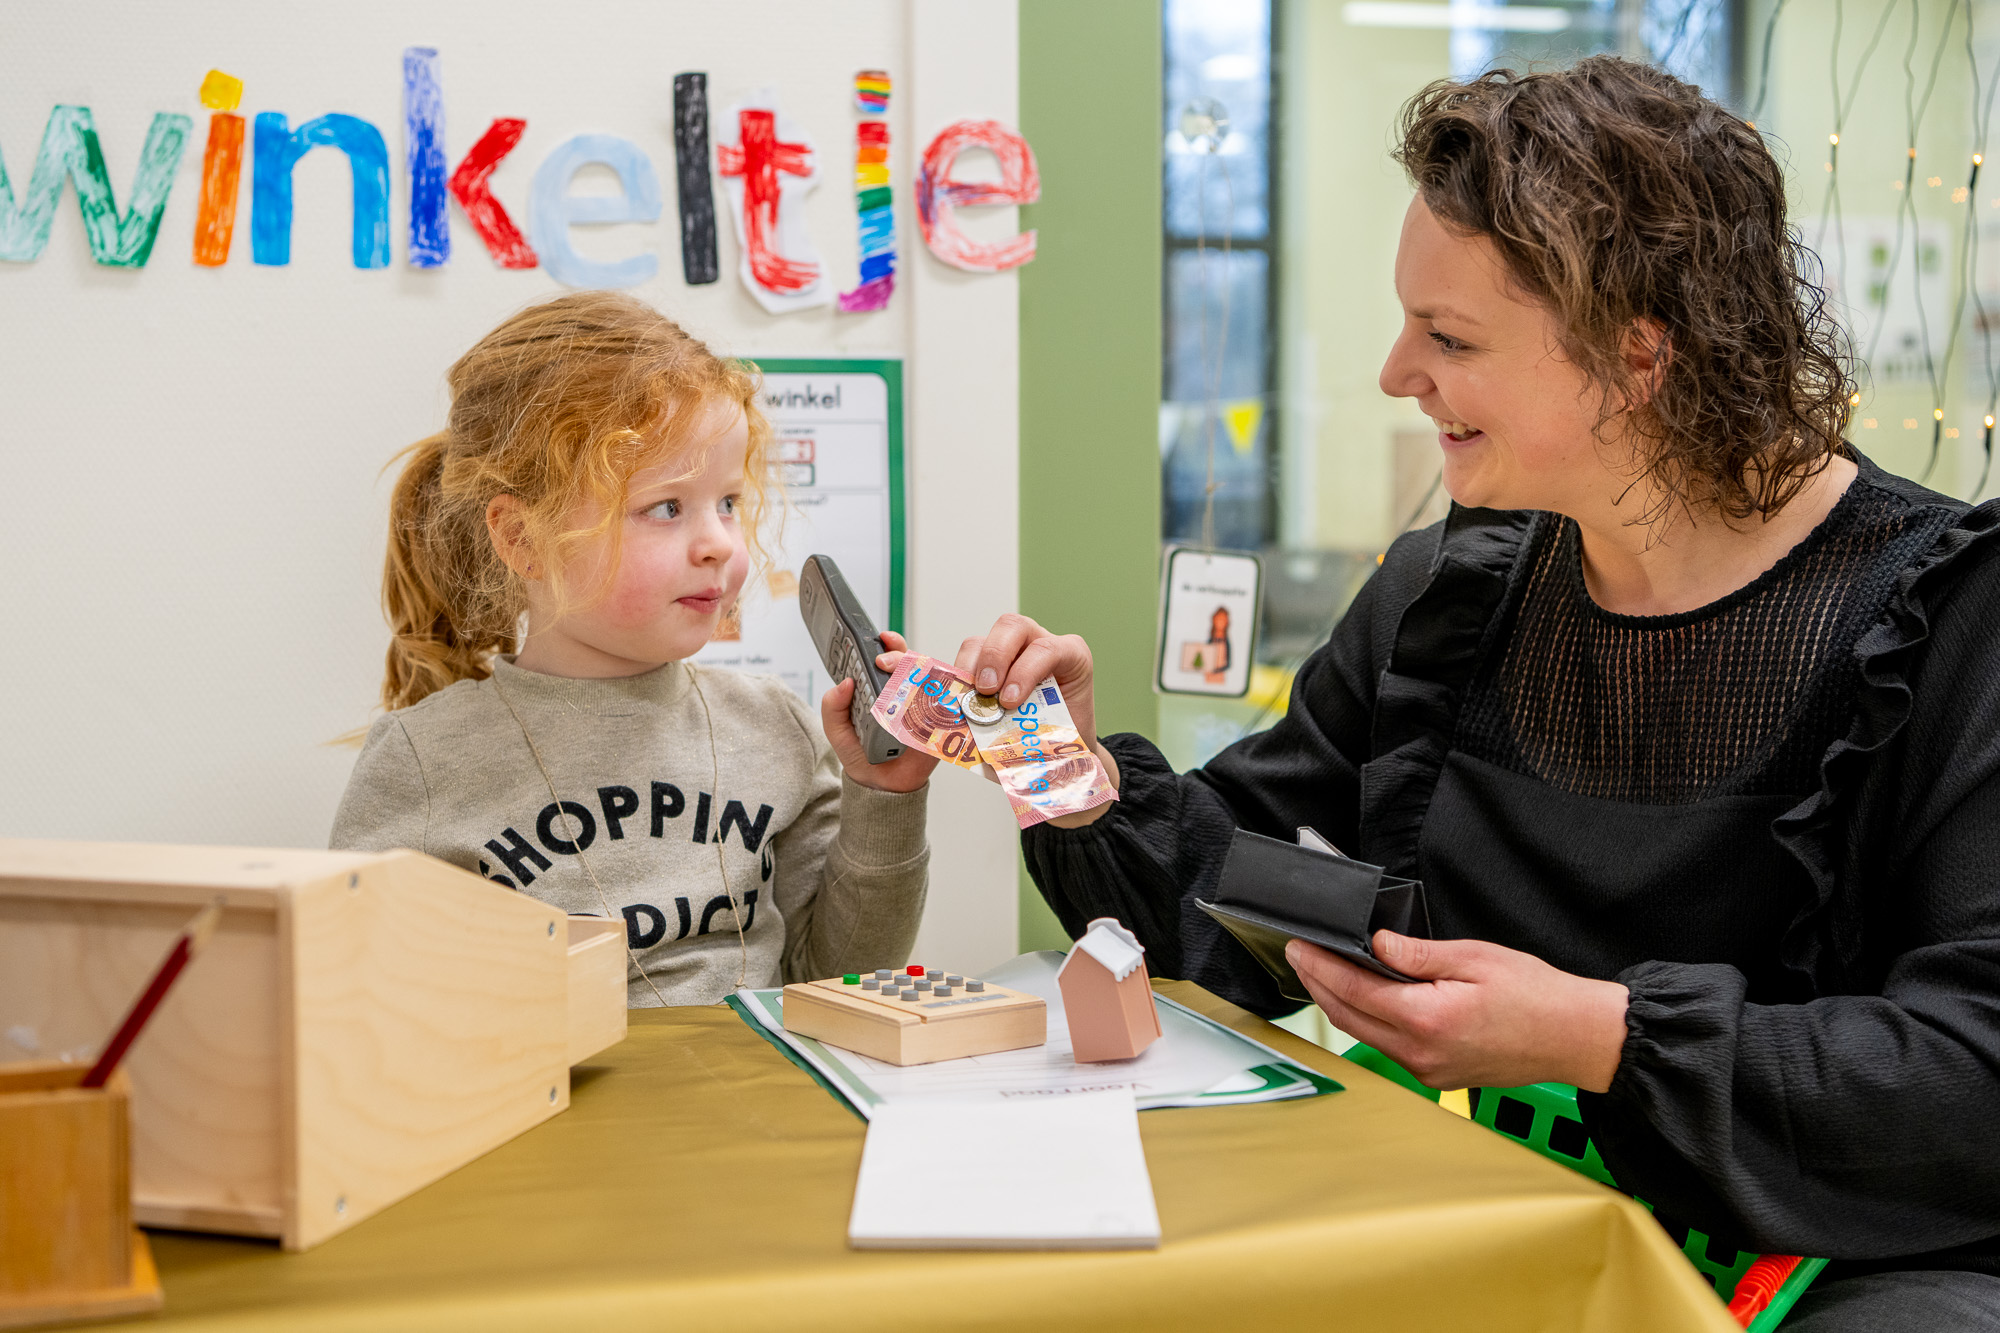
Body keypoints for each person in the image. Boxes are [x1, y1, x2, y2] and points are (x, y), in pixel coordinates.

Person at [956, 58, 2000, 1330]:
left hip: (1858, 1269)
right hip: (1502, 1221)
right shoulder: (1449, 594)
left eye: (1447, 338)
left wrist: (1601, 1036)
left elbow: (1968, 1077)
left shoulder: (1949, 622)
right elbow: (1223, 902)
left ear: (1638, 356)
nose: (1397, 372)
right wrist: (1061, 768)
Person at [331, 291, 936, 1006]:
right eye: (667, 507)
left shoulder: (778, 730)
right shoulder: (421, 763)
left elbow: (836, 977)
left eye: (729, 503)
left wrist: (885, 797)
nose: (717, 542)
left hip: (759, 1107)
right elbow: (362, 1009)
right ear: (522, 539)